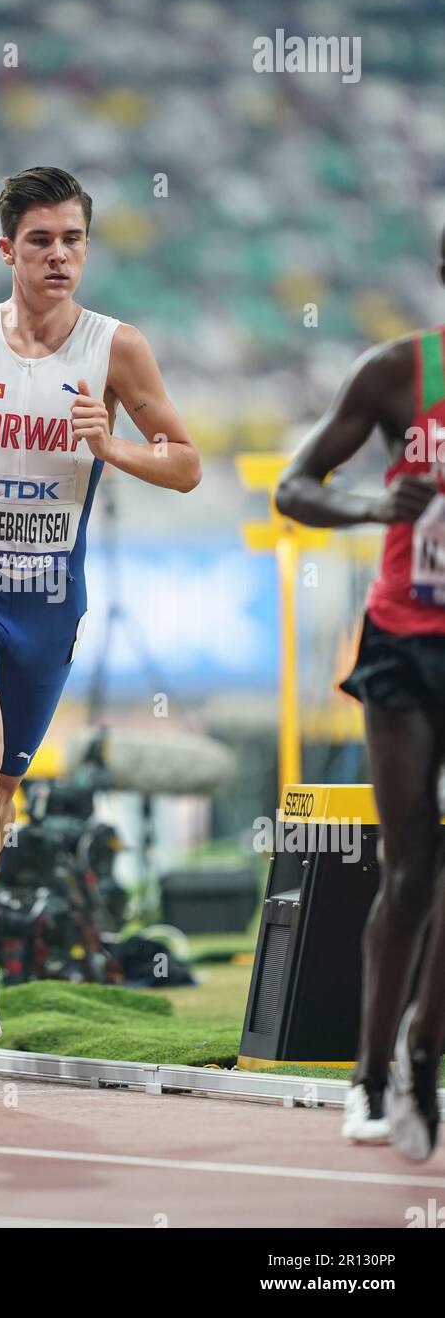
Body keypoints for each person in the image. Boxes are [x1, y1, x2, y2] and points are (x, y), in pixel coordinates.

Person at [0, 165, 201, 1043]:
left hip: (50, 603)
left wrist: (116, 449)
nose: (59, 256)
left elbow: (188, 461)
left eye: (73, 240)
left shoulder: (115, 348)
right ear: (8, 248)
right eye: (41, 241)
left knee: (3, 784)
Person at [277, 258, 445, 1162]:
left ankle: (426, 1057)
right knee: (412, 871)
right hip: (405, 644)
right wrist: (376, 505)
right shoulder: (398, 373)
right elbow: (294, 487)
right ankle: (368, 1075)